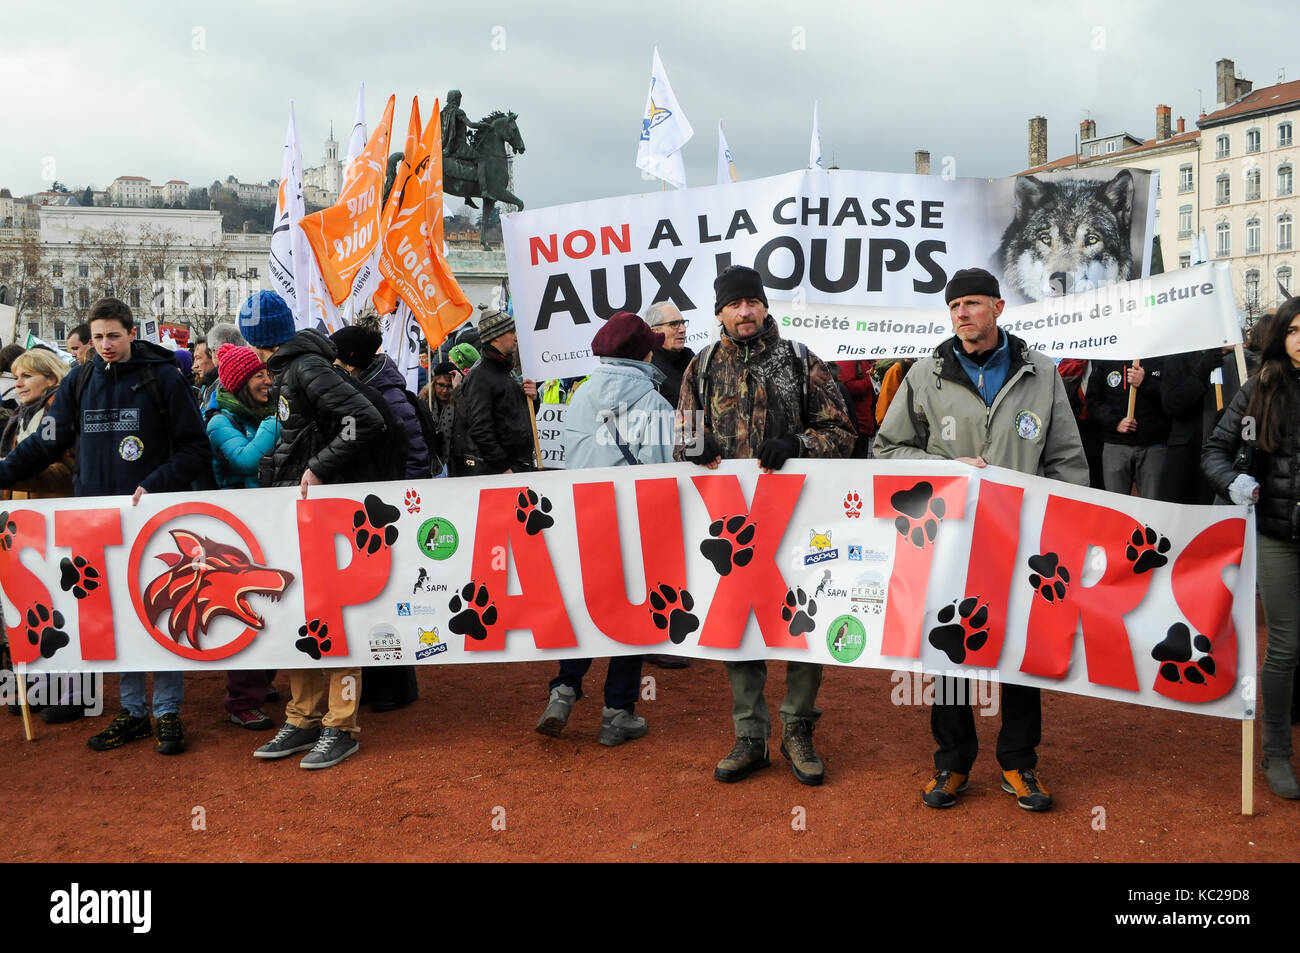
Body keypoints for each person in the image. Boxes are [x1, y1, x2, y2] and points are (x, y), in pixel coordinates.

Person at [875, 267, 1089, 812]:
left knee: (1020, 648)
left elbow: (1065, 458)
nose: (962, 313)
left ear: (998, 308)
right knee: (949, 646)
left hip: (1022, 538)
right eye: (954, 306)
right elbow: (887, 450)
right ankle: (951, 763)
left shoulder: (1041, 373)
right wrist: (946, 470)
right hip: (948, 538)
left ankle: (1019, 764)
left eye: (972, 303)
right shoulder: (924, 374)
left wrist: (1060, 526)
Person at [0, 297, 212, 755]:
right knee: (116, 617)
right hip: (96, 521)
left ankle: (169, 710)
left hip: (151, 519)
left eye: (113, 335)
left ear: (132, 333)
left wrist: (154, 484)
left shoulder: (165, 380)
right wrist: (3, 471)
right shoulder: (79, 380)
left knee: (158, 610)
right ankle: (134, 712)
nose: (105, 345)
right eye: (97, 337)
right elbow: (45, 443)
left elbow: (196, 450)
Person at [675, 265, 856, 786]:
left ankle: (798, 728)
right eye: (734, 304)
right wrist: (694, 446)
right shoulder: (702, 366)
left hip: (799, 521)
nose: (745, 312)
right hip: (730, 525)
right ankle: (749, 736)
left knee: (803, 619)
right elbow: (679, 434)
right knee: (739, 623)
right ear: (720, 313)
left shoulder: (800, 361)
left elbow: (843, 433)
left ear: (765, 305)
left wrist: (798, 445)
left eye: (752, 301)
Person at [240, 291, 384, 769]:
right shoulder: (293, 368)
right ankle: (303, 719)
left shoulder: (304, 368)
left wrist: (318, 468)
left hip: (324, 512)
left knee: (332, 621)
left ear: (255, 340)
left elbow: (364, 420)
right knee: (300, 618)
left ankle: (340, 725)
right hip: (299, 511)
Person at [538, 311, 675, 745]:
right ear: (644, 352)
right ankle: (617, 712)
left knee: (585, 609)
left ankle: (563, 690)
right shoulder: (655, 402)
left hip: (587, 518)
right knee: (630, 615)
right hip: (634, 522)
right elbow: (659, 470)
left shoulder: (580, 394)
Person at [1203, 300, 1300, 799]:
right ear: (1282, 336)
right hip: (1278, 533)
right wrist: (1232, 481)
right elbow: (1215, 452)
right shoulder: (1260, 388)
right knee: (1285, 645)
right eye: (1296, 331)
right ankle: (1276, 751)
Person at [0, 348, 79, 724]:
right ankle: (41, 685)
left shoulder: (60, 416)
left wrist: (17, 474)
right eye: (16, 376)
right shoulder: (19, 418)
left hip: (57, 524)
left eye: (27, 376)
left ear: (50, 378)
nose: (18, 383)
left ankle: (75, 691)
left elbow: (69, 473)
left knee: (65, 610)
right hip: (22, 527)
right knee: (33, 607)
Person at [204, 342, 281, 731]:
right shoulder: (220, 421)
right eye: (258, 375)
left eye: (266, 374)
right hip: (238, 530)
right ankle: (240, 700)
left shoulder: (260, 414)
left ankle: (262, 682)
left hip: (268, 521)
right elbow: (245, 461)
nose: (267, 380)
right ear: (238, 383)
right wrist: (274, 423)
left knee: (275, 605)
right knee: (247, 611)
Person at [330, 324, 432, 479]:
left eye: (334, 362)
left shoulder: (390, 397)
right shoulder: (353, 392)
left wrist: (405, 495)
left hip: (390, 492)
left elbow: (416, 455)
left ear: (350, 365)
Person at [460, 309, 538, 475]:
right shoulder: (480, 376)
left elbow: (516, 417)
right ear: (495, 336)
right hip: (503, 472)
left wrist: (532, 399)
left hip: (520, 466)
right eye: (511, 332)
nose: (516, 337)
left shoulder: (507, 371)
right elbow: (480, 429)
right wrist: (503, 467)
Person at [1085, 355, 1171, 499]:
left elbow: (1173, 397)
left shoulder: (1161, 357)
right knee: (1115, 506)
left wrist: (1146, 382)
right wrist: (1115, 423)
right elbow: (1093, 400)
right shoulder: (1107, 358)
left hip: (1153, 445)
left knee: (1153, 505)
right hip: (1115, 445)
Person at [647, 301, 694, 406]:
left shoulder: (692, 358)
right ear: (654, 331)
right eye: (674, 324)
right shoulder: (648, 371)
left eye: (682, 322)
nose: (682, 329)